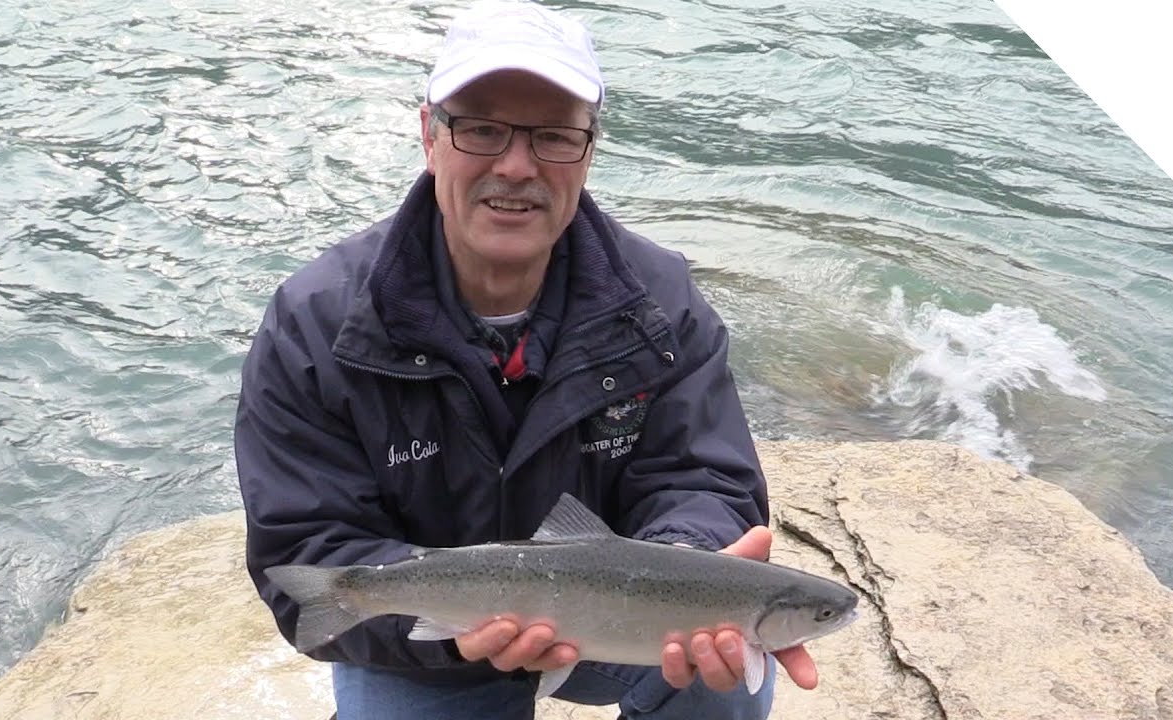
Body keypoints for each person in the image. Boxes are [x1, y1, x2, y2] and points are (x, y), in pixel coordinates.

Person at [234, 1, 819, 718]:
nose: (516, 165)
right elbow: (308, 544)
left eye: (552, 136)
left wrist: (688, 562)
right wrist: (454, 635)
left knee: (725, 681)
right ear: (430, 135)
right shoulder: (315, 323)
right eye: (482, 128)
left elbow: (700, 476)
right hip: (431, 651)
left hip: (622, 629)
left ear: (589, 149)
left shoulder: (663, 303)